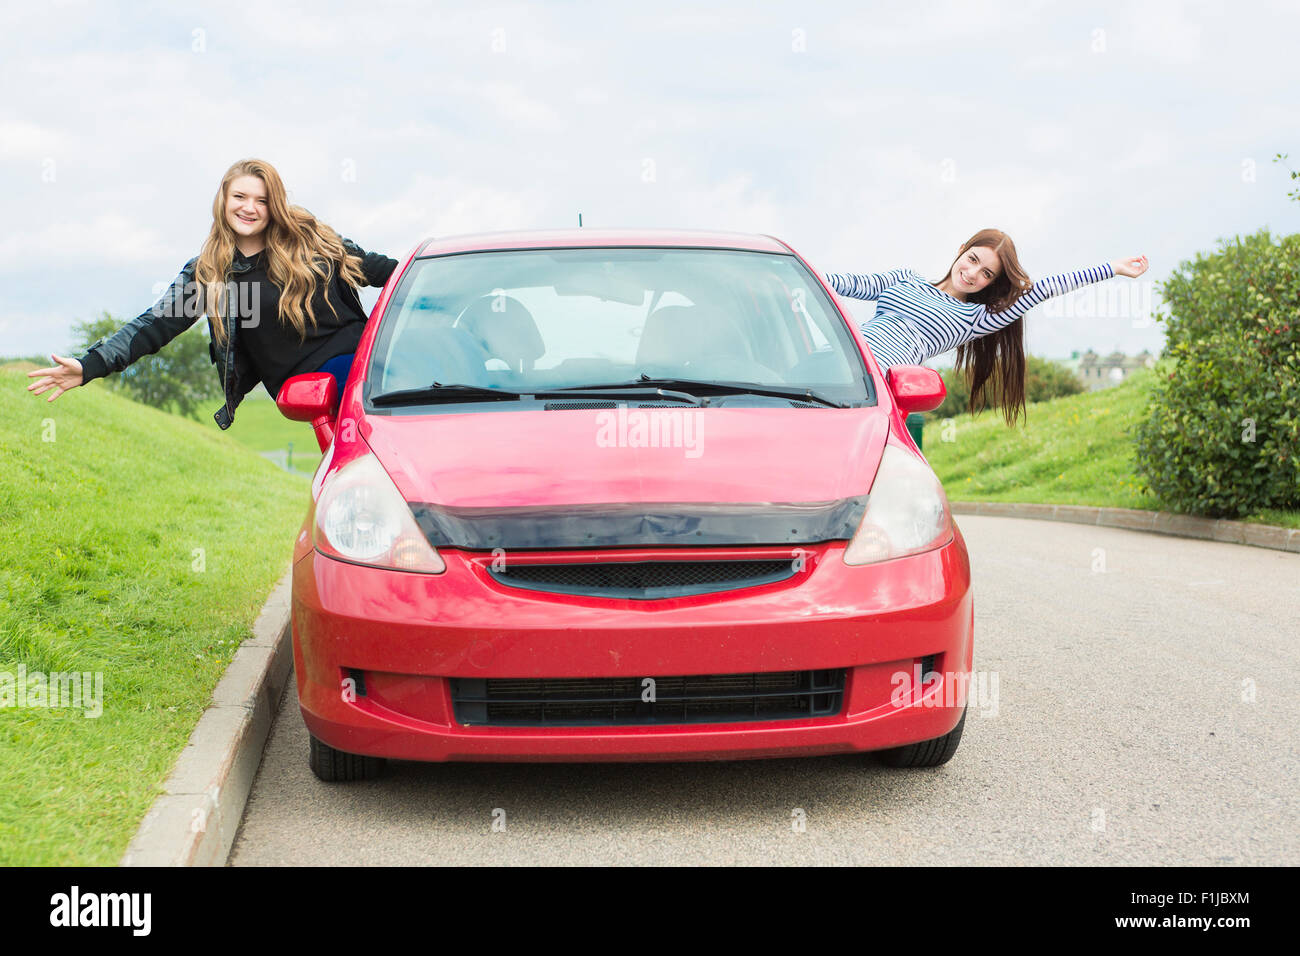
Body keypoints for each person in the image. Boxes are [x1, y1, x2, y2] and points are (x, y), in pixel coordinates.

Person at [26, 157, 398, 429]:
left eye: (262, 200)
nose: (249, 208)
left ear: (275, 205)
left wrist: (438, 276)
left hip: (367, 352)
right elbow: (153, 325)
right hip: (312, 374)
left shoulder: (310, 238)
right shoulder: (210, 272)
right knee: (389, 388)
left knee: (419, 380)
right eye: (240, 196)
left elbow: (382, 271)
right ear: (223, 199)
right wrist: (90, 365)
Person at [824, 228, 1149, 425]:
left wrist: (1113, 268)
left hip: (870, 392)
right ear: (962, 250)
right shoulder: (905, 278)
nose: (973, 273)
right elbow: (846, 284)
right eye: (973, 259)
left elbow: (1043, 289)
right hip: (835, 363)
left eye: (987, 274)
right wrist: (787, 272)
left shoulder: (975, 318)